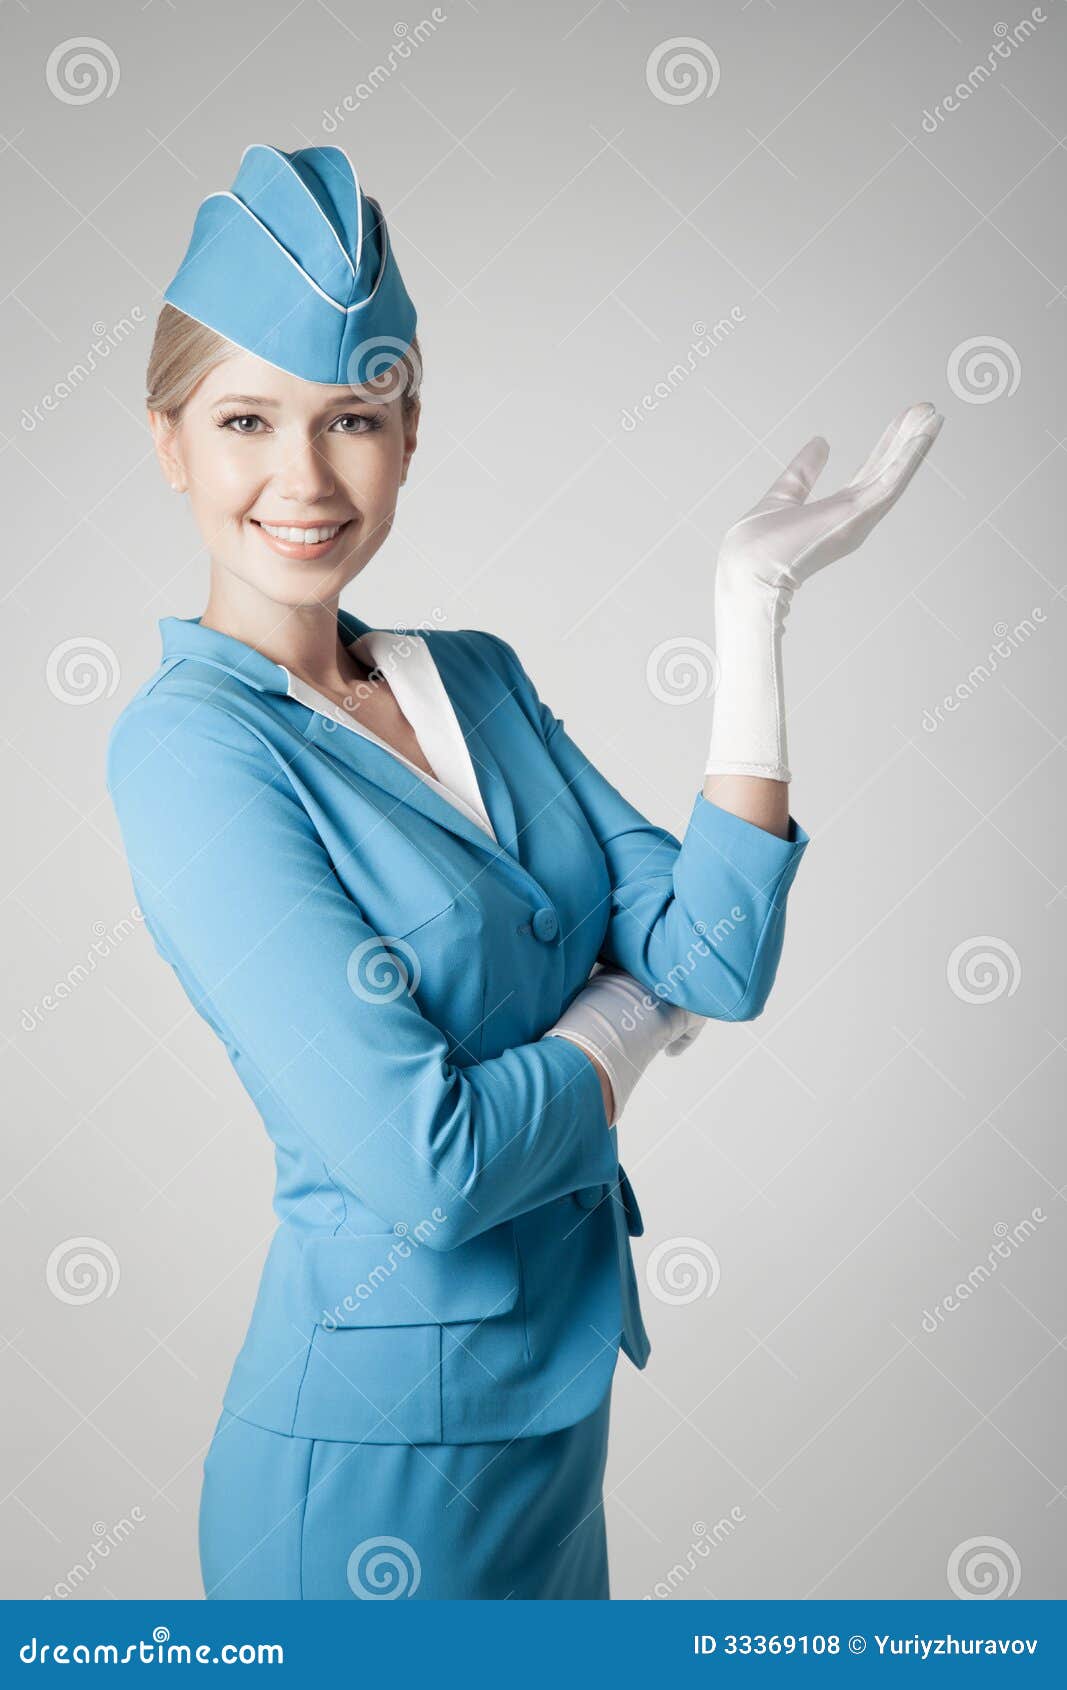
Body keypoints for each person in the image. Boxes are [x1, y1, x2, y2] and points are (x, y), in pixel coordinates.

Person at [105, 142, 942, 1601]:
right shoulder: (193, 753)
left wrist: (753, 611)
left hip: (555, 1430)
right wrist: (621, 1021)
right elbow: (433, 1167)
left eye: (352, 417)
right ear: (171, 440)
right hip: (370, 1479)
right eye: (247, 418)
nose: (302, 478)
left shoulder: (472, 675)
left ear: (410, 435)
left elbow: (713, 957)